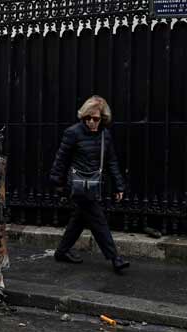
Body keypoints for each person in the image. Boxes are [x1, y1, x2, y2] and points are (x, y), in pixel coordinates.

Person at [49, 95, 130, 273]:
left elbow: (112, 162)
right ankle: (115, 258)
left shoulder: (104, 136)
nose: (91, 122)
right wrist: (57, 182)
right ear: (83, 116)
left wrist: (119, 186)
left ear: (103, 118)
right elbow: (61, 159)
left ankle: (62, 251)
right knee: (97, 219)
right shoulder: (73, 132)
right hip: (77, 186)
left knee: (80, 219)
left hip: (94, 185)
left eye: (95, 119)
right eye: (88, 118)